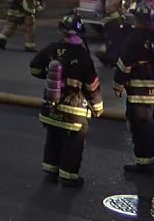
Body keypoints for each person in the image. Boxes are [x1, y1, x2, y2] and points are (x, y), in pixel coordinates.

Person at [29, 12, 103, 188]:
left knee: (53, 138)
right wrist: (98, 107)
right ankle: (69, 177)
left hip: (52, 107)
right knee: (74, 144)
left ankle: (51, 171)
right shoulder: (83, 56)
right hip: (74, 111)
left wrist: (48, 77)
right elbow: (92, 86)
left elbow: (34, 68)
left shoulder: (52, 49)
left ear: (62, 31)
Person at [113, 0, 154, 174]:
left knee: (142, 129)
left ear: (137, 19)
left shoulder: (134, 38)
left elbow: (124, 64)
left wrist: (118, 84)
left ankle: (145, 163)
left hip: (140, 93)